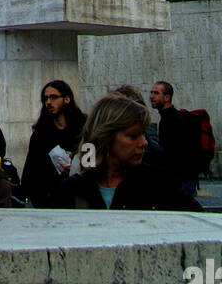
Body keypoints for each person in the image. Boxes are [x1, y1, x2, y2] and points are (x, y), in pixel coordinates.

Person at [55, 94, 202, 211]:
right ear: (106, 138)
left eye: (143, 134)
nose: (144, 143)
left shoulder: (159, 183)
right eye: (133, 136)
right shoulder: (72, 189)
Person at [21, 80, 86, 207]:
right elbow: (30, 173)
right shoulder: (40, 135)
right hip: (48, 201)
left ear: (67, 99)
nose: (48, 102)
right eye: (46, 99)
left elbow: (92, 166)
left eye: (53, 97)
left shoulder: (85, 129)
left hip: (78, 199)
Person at [149, 80, 200, 198]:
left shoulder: (172, 120)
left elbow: (174, 152)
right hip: (182, 177)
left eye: (156, 93)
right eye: (151, 93)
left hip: (181, 179)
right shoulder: (169, 117)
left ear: (167, 97)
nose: (151, 96)